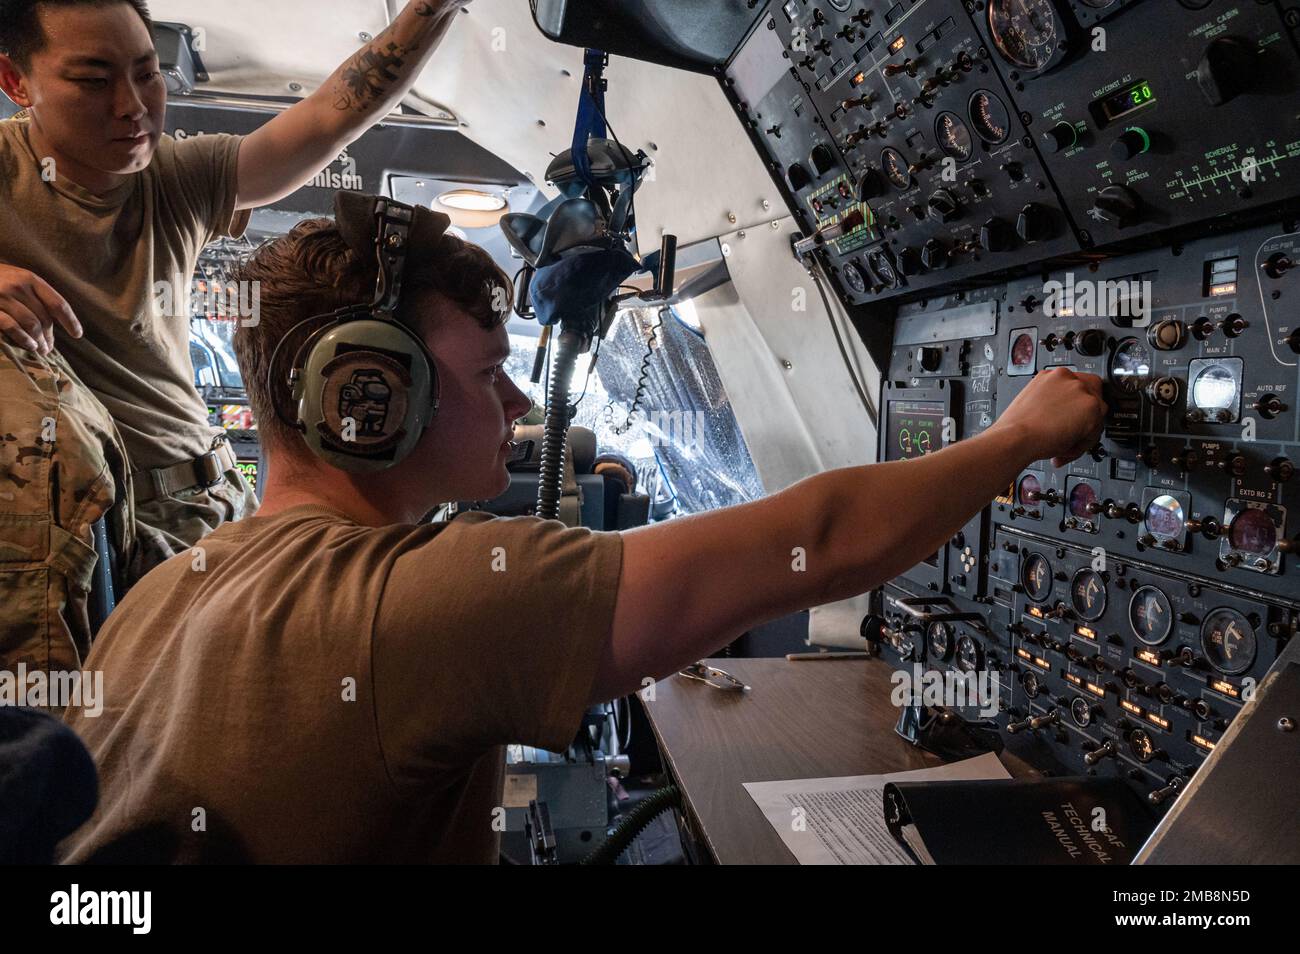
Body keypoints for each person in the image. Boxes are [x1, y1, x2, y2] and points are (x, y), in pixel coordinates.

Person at [60, 197, 1109, 863]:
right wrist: (1018, 435)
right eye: (486, 372)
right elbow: (823, 538)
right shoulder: (416, 596)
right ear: (366, 398)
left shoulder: (171, 582)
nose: (519, 405)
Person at [0, 0, 472, 673]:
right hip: (78, 541)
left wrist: (430, 10)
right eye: (94, 80)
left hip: (202, 511)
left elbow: (330, 117)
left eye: (147, 73)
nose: (133, 106)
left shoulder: (175, 178)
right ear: (17, 82)